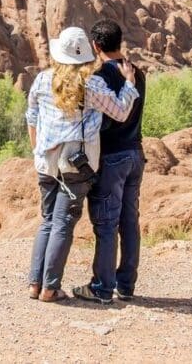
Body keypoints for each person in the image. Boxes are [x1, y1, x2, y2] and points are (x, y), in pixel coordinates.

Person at [26, 26, 139, 302]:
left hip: (46, 163)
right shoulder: (91, 86)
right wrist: (129, 84)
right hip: (75, 166)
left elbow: (31, 118)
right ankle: (50, 288)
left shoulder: (42, 80)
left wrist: (38, 152)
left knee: (48, 221)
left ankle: (35, 284)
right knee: (63, 223)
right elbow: (122, 112)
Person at [72, 19, 147, 305]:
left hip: (111, 156)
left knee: (106, 223)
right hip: (135, 153)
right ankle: (126, 284)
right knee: (130, 220)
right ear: (120, 41)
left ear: (96, 45)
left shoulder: (99, 76)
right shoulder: (137, 72)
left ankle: (102, 287)